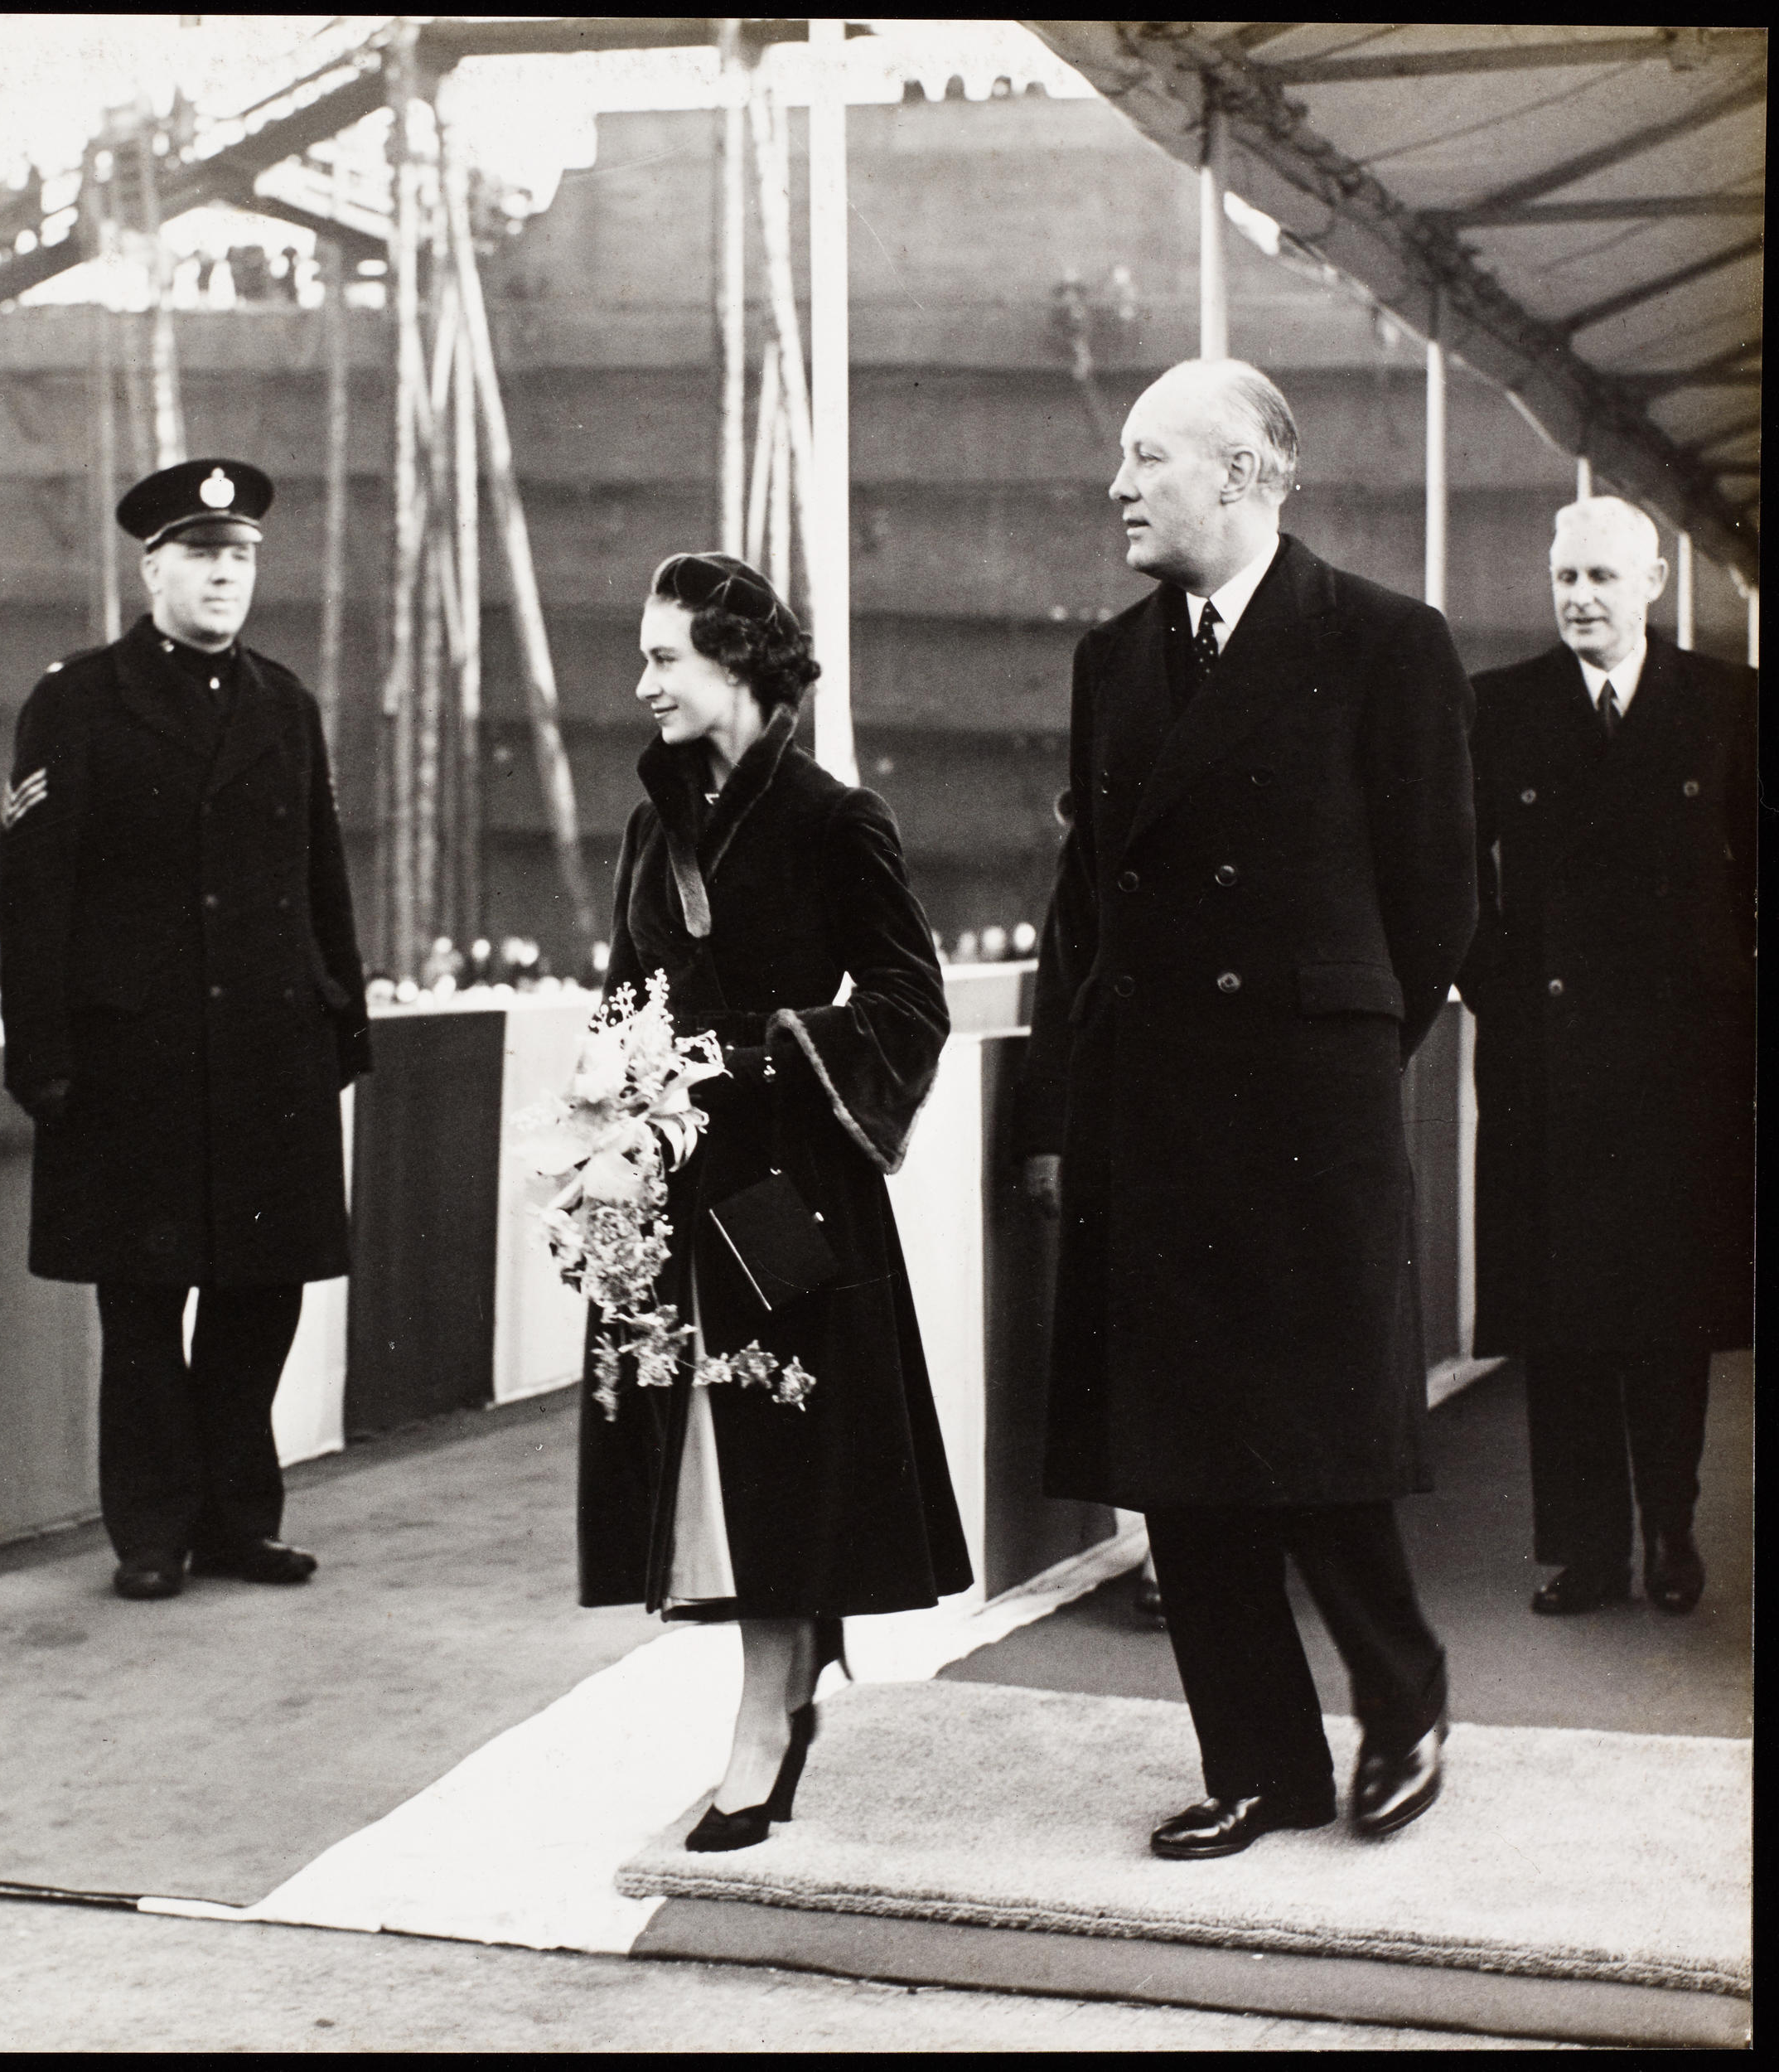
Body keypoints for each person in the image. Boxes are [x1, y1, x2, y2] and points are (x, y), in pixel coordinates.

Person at [1018, 360, 1477, 1858]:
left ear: (1242, 473)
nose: (1118, 486)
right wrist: (1057, 1105)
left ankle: (1403, 1702)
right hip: (1151, 1102)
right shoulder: (1111, 662)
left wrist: (1337, 1050)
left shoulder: (1386, 642)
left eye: (1147, 457)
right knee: (1180, 1451)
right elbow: (1084, 912)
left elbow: (1438, 897)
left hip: (1302, 1107)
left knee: (1319, 1435)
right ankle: (1262, 1763)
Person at [578, 551, 968, 1853]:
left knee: (778, 1459)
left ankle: (764, 1723)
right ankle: (786, 1685)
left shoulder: (835, 819)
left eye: (664, 658)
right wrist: (603, 1119)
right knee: (706, 1460)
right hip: (673, 1188)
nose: (643, 684)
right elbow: (624, 998)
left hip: (787, 1191)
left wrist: (752, 1061)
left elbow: (910, 1009)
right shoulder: (654, 826)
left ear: (736, 664)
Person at [0, 459, 370, 1603]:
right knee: (145, 1303)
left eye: (240, 555)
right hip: (136, 1060)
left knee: (264, 1294)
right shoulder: (77, 701)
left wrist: (342, 1025)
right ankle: (152, 1531)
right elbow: (33, 893)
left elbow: (322, 879)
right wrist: (43, 1056)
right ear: (152, 568)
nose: (224, 575)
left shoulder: (284, 705)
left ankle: (238, 1520)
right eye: (202, 554)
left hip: (266, 1057)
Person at [1456, 496, 1756, 1619]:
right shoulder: (1501, 707)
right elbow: (1454, 873)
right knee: (1563, 1318)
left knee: (1670, 1317)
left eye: (1601, 578)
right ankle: (1584, 1551)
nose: (1579, 599)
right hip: (1547, 1064)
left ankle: (1671, 1530)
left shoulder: (1728, 704)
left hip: (1686, 1067)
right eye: (1565, 578)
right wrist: (1500, 990)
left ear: (1652, 584)